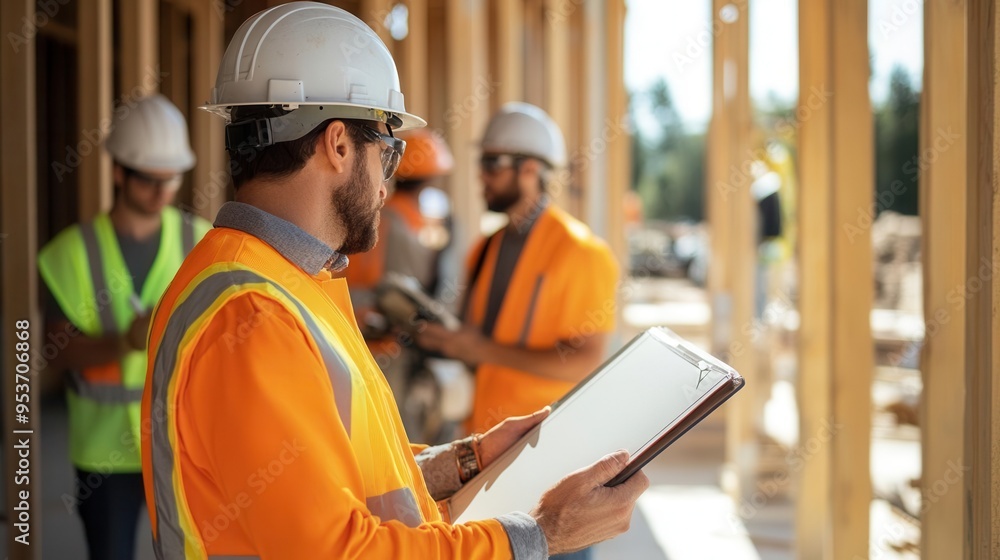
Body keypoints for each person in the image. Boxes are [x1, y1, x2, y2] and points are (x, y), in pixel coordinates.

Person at [141, 3, 647, 559]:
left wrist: (463, 461)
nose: (387, 188)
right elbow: (340, 551)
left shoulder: (285, 284)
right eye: (387, 155)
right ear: (337, 144)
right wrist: (542, 532)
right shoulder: (256, 316)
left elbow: (337, 477)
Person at [416, 102, 620, 560]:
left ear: (530, 169)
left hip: (554, 460)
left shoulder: (582, 252)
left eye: (492, 164)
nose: (480, 176)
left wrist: (479, 347)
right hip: (488, 452)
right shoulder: (485, 249)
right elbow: (479, 343)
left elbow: (585, 357)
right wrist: (448, 342)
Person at [37, 93, 210, 560]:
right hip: (103, 454)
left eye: (171, 179)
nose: (162, 191)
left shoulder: (201, 242)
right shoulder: (70, 255)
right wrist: (125, 342)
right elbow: (56, 353)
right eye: (149, 181)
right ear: (118, 172)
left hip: (180, 445)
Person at [345, 128, 460, 443]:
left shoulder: (384, 213)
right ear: (432, 177)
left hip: (362, 334)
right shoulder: (407, 222)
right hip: (388, 342)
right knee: (398, 435)